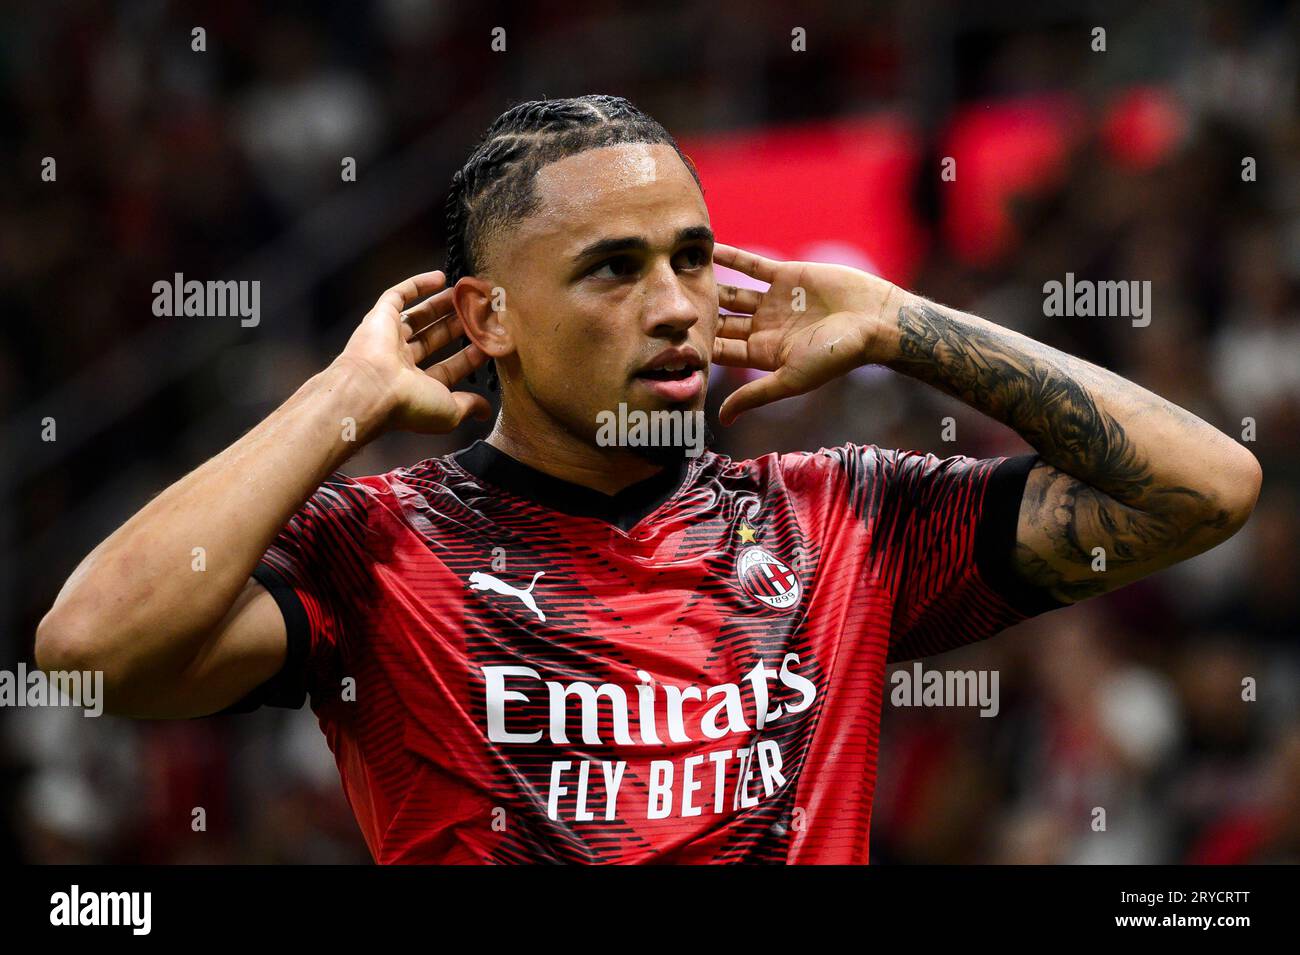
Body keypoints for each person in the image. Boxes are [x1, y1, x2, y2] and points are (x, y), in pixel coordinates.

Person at [35, 94, 1261, 863]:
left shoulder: (840, 519)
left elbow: (1203, 487)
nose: (676, 308)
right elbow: (90, 651)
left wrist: (903, 321)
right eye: (613, 270)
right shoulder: (380, 549)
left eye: (688, 257)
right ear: (488, 315)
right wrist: (338, 401)